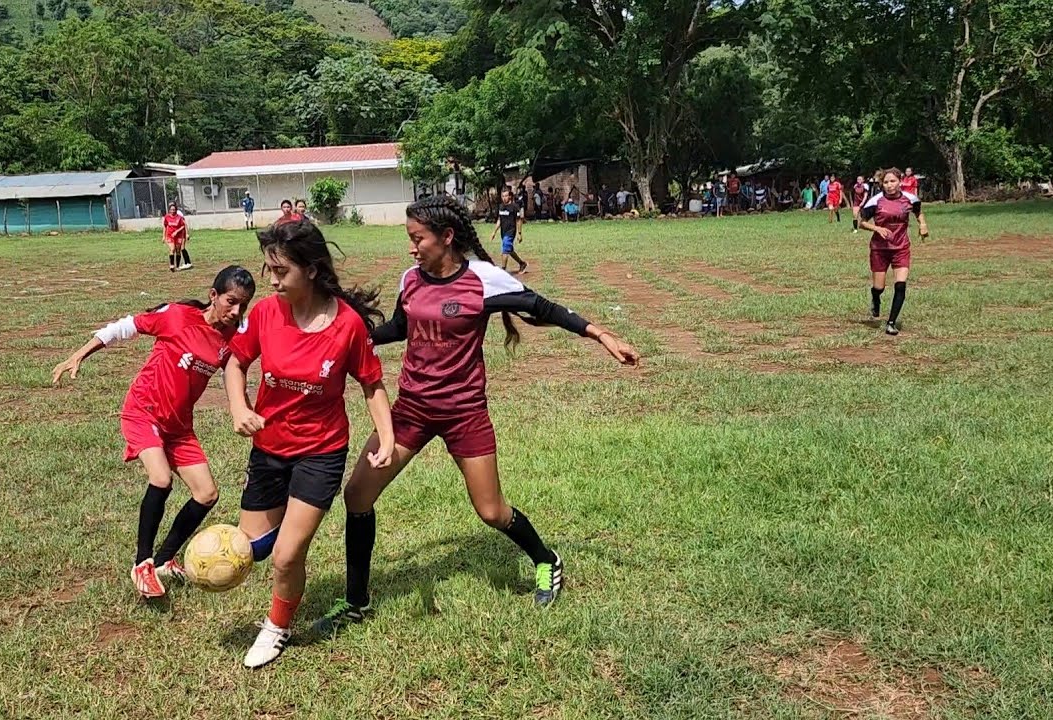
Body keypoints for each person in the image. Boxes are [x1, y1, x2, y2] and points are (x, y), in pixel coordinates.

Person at [311, 196, 640, 637]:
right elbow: (400, 328)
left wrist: (603, 335)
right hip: (411, 409)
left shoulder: (483, 281)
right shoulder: (411, 279)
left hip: (464, 412)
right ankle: (356, 601)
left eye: (418, 238)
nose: (412, 248)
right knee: (358, 496)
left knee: (491, 511)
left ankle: (546, 560)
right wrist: (351, 338)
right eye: (410, 238)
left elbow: (545, 309)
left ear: (447, 238)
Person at [222, 218, 394, 669]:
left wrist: (388, 435)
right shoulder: (263, 313)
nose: (272, 281)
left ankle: (277, 628)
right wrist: (239, 409)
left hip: (320, 450)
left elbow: (372, 385)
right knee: (247, 550)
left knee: (286, 556)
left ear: (312, 269)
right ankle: (288, 534)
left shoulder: (348, 325)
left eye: (281, 271)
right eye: (269, 271)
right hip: (269, 448)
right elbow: (236, 364)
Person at [52, 266, 257, 599]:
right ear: (213, 296)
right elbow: (124, 327)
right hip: (143, 411)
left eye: (243, 306)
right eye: (231, 302)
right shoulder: (177, 317)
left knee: (206, 494)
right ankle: (142, 564)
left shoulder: (230, 338)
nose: (235, 312)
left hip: (179, 426)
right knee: (161, 479)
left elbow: (235, 373)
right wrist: (78, 355)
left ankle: (163, 560)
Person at [859, 169, 929, 336]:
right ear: (882, 184)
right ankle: (875, 298)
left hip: (901, 247)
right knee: (879, 287)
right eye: (886, 182)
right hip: (880, 249)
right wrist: (877, 228)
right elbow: (861, 223)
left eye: (893, 181)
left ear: (900, 181)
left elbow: (918, 212)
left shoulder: (910, 199)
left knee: (900, 285)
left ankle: (891, 323)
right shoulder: (875, 201)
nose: (889, 185)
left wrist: (923, 224)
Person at [488, 188, 528, 273]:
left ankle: (503, 271)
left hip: (511, 232)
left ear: (510, 196)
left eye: (506, 196)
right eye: (502, 196)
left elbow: (519, 220)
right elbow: (499, 220)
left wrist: (519, 233)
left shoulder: (514, 207)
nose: (504, 198)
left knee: (505, 250)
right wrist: (494, 232)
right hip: (503, 232)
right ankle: (522, 263)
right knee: (509, 250)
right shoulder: (501, 207)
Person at [163, 203, 191, 272]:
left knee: (178, 250)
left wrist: (178, 232)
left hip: (178, 236)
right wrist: (163, 236)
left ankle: (177, 266)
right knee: (172, 249)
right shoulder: (167, 217)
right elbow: (165, 226)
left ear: (176, 210)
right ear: (169, 210)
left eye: (174, 209)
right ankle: (172, 265)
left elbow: (183, 225)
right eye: (171, 209)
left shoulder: (179, 217)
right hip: (170, 236)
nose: (172, 211)